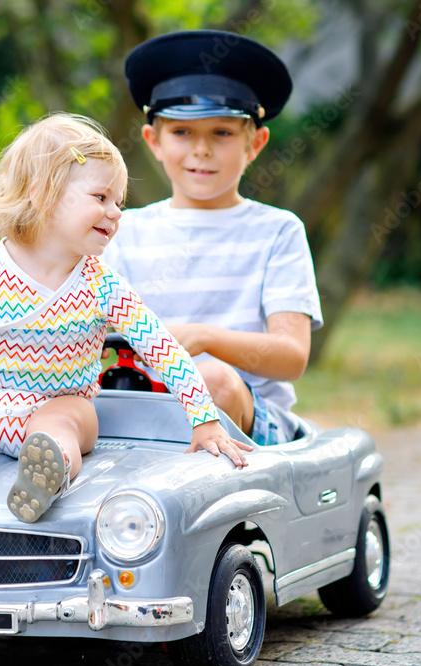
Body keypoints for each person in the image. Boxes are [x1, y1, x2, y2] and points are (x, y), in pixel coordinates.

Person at [0, 113, 253, 557]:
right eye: (101, 197)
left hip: (66, 401)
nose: (116, 213)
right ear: (44, 195)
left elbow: (158, 347)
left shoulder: (102, 285)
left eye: (118, 201)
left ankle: (45, 476)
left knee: (59, 427)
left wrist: (205, 417)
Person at [102, 30, 324, 447]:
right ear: (153, 140)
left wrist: (204, 337)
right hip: (137, 411)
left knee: (211, 378)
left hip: (249, 419)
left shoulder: (277, 231)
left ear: (254, 143)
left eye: (221, 133)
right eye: (182, 133)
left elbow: (292, 356)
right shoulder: (122, 231)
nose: (201, 150)